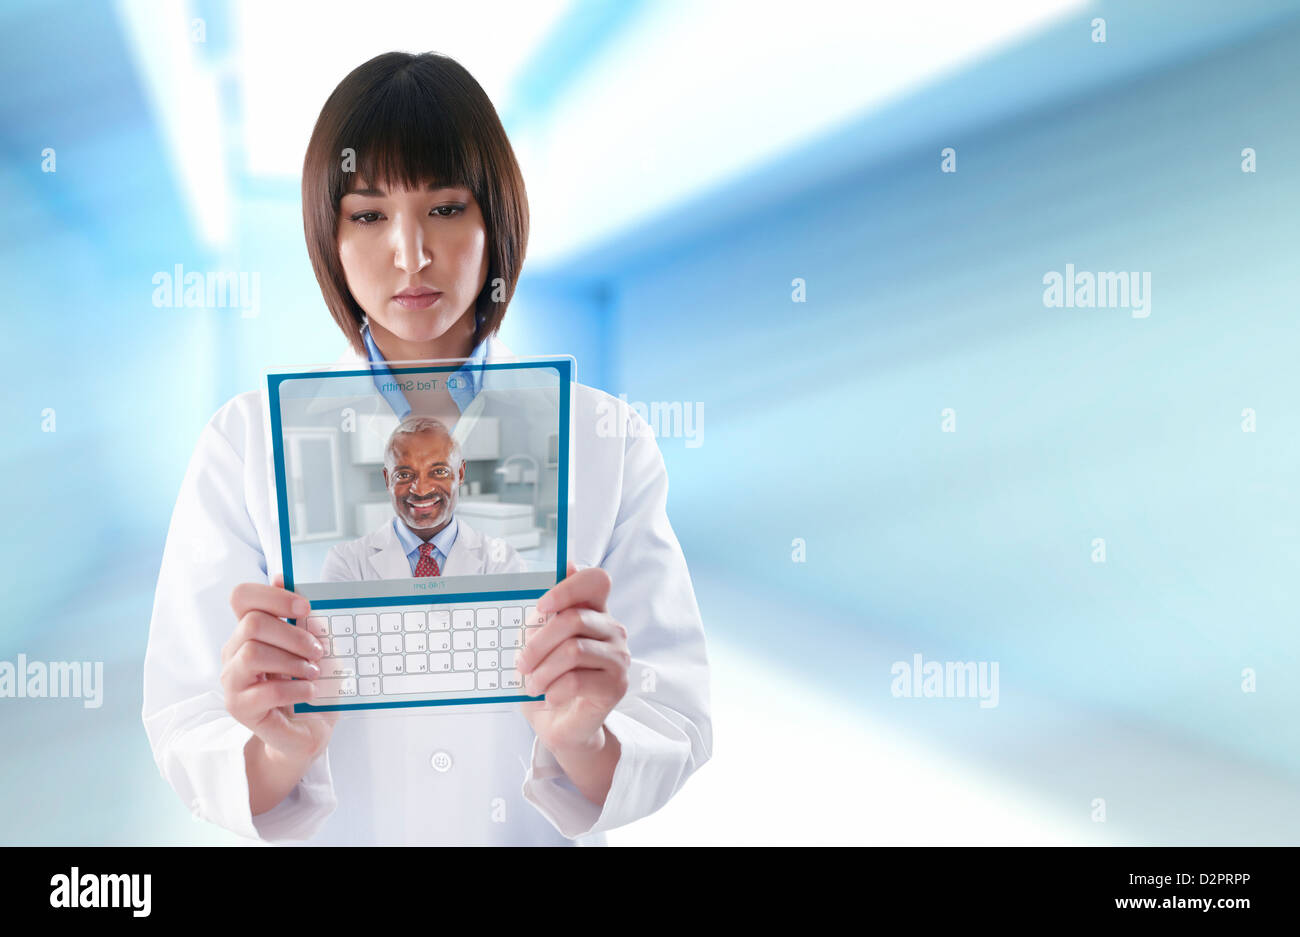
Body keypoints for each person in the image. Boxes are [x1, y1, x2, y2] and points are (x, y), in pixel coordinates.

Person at [141, 51, 712, 845]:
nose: (410, 255)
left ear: (496, 219)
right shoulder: (245, 445)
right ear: (328, 235)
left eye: (445, 208)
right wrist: (276, 749)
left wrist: (584, 738)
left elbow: (673, 713)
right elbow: (188, 717)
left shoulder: (604, 439)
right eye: (368, 215)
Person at [319, 415, 525, 581]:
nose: (421, 490)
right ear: (387, 479)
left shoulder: (502, 562)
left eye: (439, 471)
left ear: (460, 473)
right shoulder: (346, 562)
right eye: (404, 475)